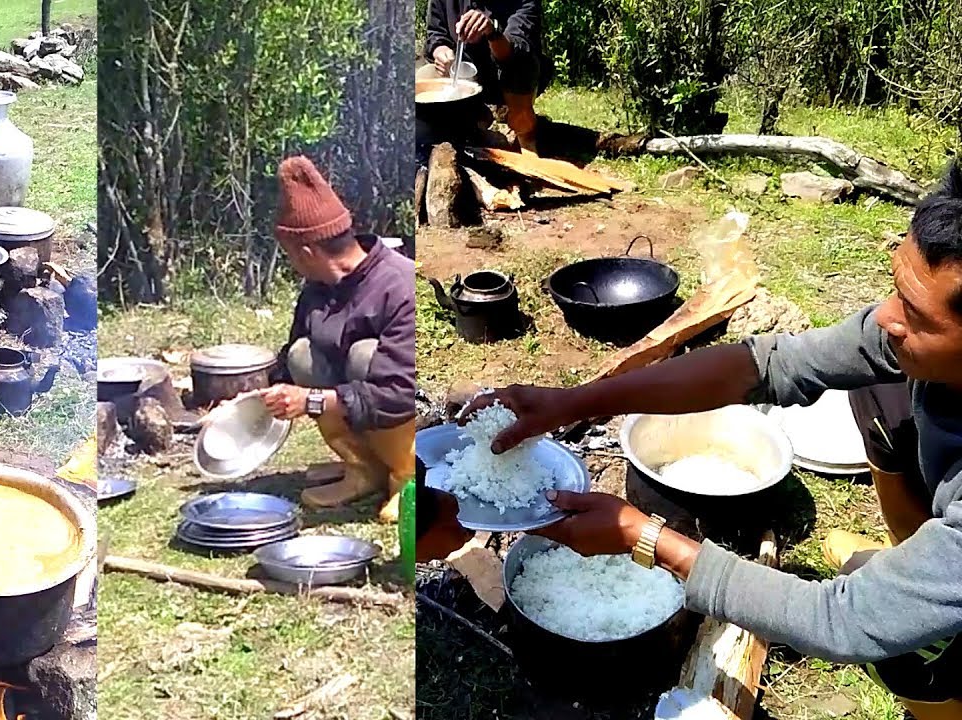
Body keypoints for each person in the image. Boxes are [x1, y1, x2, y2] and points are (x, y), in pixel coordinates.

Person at [463, 162, 962, 719]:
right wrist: (574, 400)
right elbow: (764, 367)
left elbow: (842, 622)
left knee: (908, 648)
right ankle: (919, 568)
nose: (885, 318)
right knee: (882, 400)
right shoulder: (905, 336)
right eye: (895, 288)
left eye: (915, 315)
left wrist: (644, 537)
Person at [258, 156, 415, 524]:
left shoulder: (400, 286)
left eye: (290, 254)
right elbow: (289, 361)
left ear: (307, 251)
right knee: (302, 355)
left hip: (406, 409)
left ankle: (406, 479)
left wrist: (309, 401)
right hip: (360, 404)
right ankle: (363, 469)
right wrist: (256, 396)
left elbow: (397, 392)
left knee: (366, 357)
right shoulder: (317, 288)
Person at [424, 0, 551, 153]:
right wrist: (441, 51)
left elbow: (518, 49)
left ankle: (525, 134)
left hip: (509, 75)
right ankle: (475, 120)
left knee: (522, 65)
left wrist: (492, 31)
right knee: (427, 75)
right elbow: (436, 34)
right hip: (466, 75)